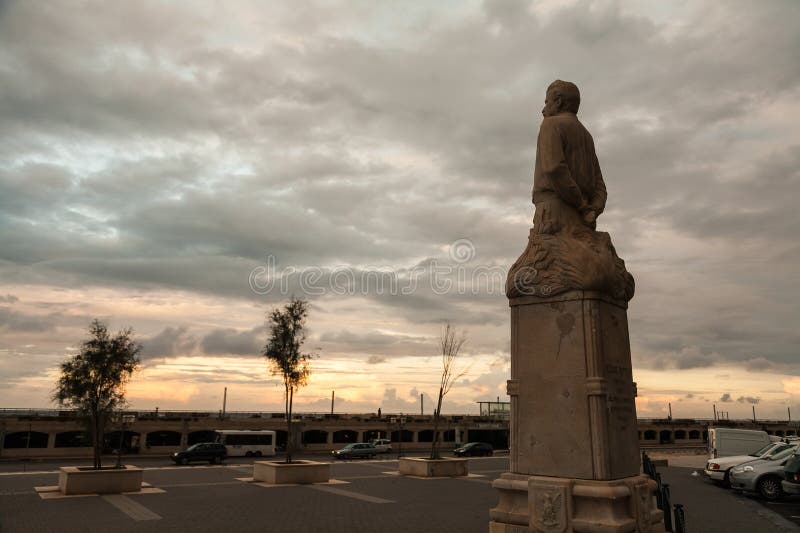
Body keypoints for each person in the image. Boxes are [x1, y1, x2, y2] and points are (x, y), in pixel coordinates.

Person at [532, 80, 607, 234]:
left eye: (547, 102)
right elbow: (600, 186)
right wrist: (592, 210)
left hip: (553, 215)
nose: (543, 109)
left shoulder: (550, 124)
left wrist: (581, 206)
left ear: (558, 101)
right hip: (584, 220)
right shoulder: (587, 136)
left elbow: (554, 168)